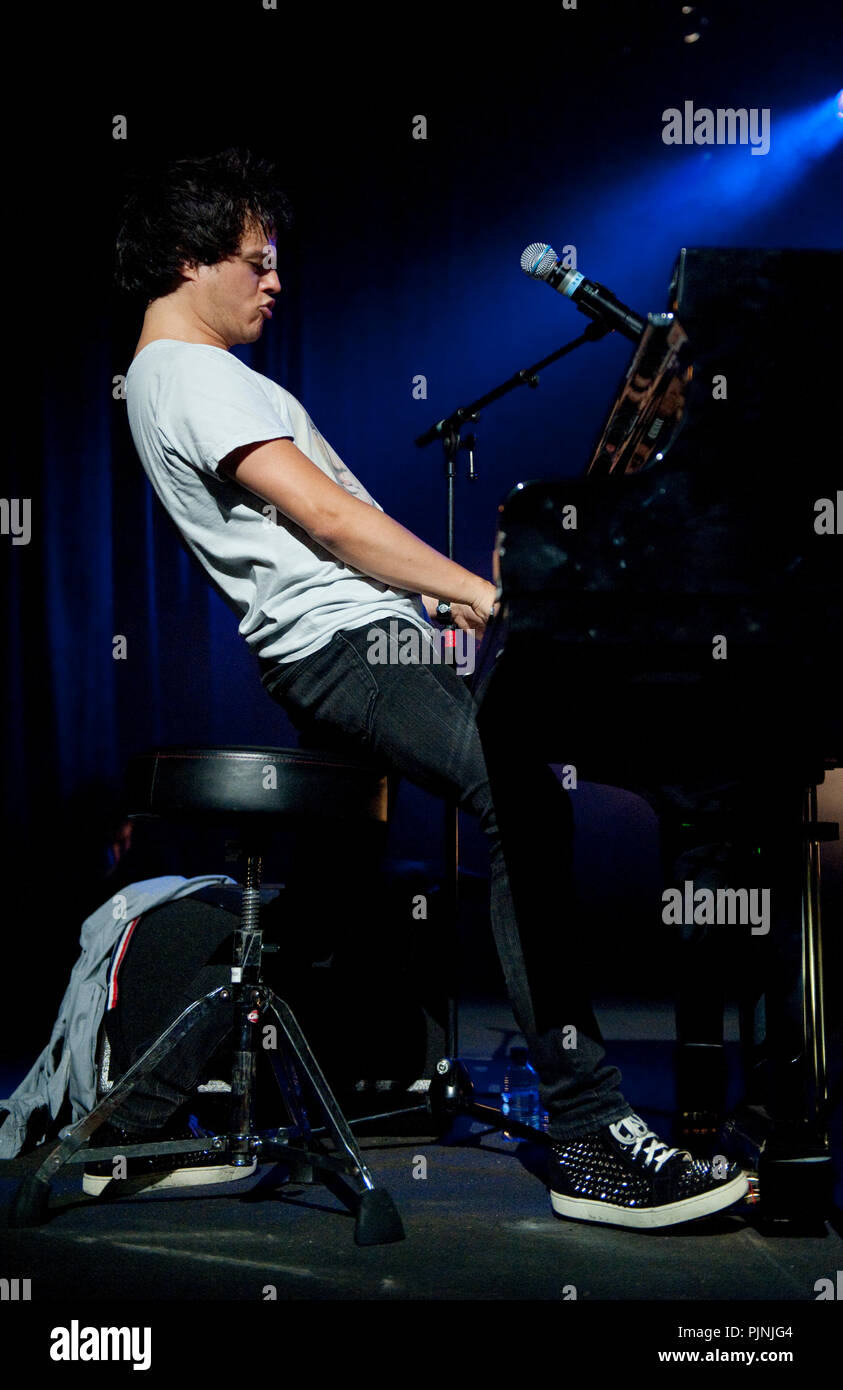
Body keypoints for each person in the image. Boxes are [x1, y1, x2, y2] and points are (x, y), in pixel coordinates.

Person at [111, 146, 748, 1228]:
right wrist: (480, 593)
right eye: (257, 263)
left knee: (320, 907)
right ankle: (591, 1136)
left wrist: (436, 603)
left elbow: (323, 533)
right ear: (188, 258)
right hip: (346, 650)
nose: (276, 282)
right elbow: (329, 518)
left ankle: (138, 1125)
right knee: (525, 799)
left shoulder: (179, 377)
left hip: (350, 643)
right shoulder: (192, 373)